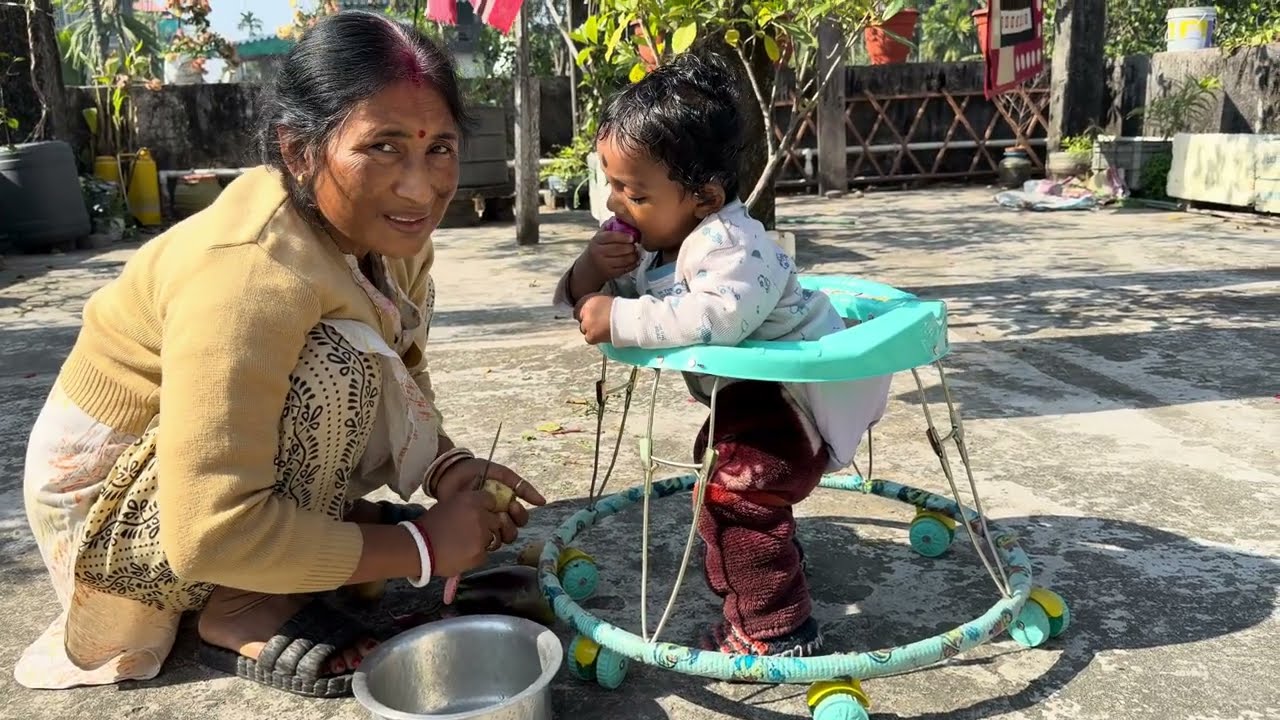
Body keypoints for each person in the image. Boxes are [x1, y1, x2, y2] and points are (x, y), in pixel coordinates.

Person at [14, 10, 544, 698]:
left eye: (439, 147)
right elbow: (204, 531)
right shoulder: (249, 270)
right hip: (116, 504)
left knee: (359, 350)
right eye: (383, 147)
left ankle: (317, 537)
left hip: (206, 466)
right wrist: (421, 549)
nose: (420, 187)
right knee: (336, 359)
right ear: (298, 151)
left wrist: (447, 464)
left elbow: (402, 373)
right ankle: (239, 604)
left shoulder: (389, 235)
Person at [553, 53, 891, 657]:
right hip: (751, 396)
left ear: (704, 196)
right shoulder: (665, 241)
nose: (614, 206)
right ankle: (758, 564)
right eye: (610, 183)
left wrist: (622, 317)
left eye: (634, 192)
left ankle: (778, 626)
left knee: (738, 490)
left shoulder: (733, 244)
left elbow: (713, 319)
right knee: (722, 477)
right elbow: (594, 306)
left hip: (799, 401)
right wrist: (588, 273)